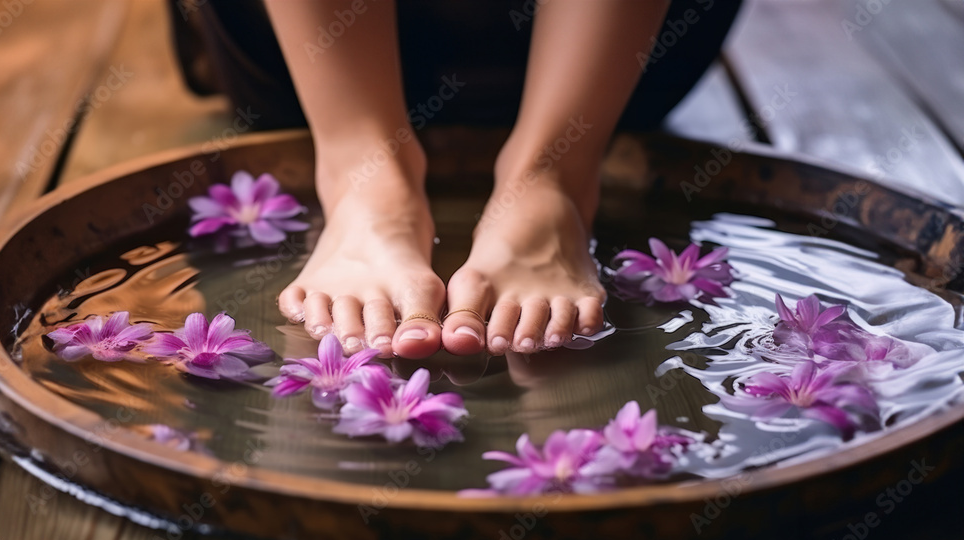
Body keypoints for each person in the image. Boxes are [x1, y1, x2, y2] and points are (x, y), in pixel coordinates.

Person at [172, 0, 742, 359]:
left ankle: (554, 175)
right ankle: (363, 174)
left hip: (625, 58)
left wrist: (557, 165)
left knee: (557, 164)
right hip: (299, 56)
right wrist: (357, 160)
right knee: (360, 157)